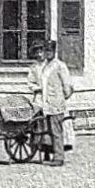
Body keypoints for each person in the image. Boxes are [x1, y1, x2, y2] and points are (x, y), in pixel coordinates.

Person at [32, 39, 74, 167]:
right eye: (46, 51)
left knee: (56, 131)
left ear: (54, 52)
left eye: (50, 51)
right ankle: (54, 155)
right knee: (49, 131)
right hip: (47, 104)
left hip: (56, 104)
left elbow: (67, 86)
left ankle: (59, 157)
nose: (48, 53)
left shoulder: (60, 66)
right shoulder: (45, 67)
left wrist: (61, 98)